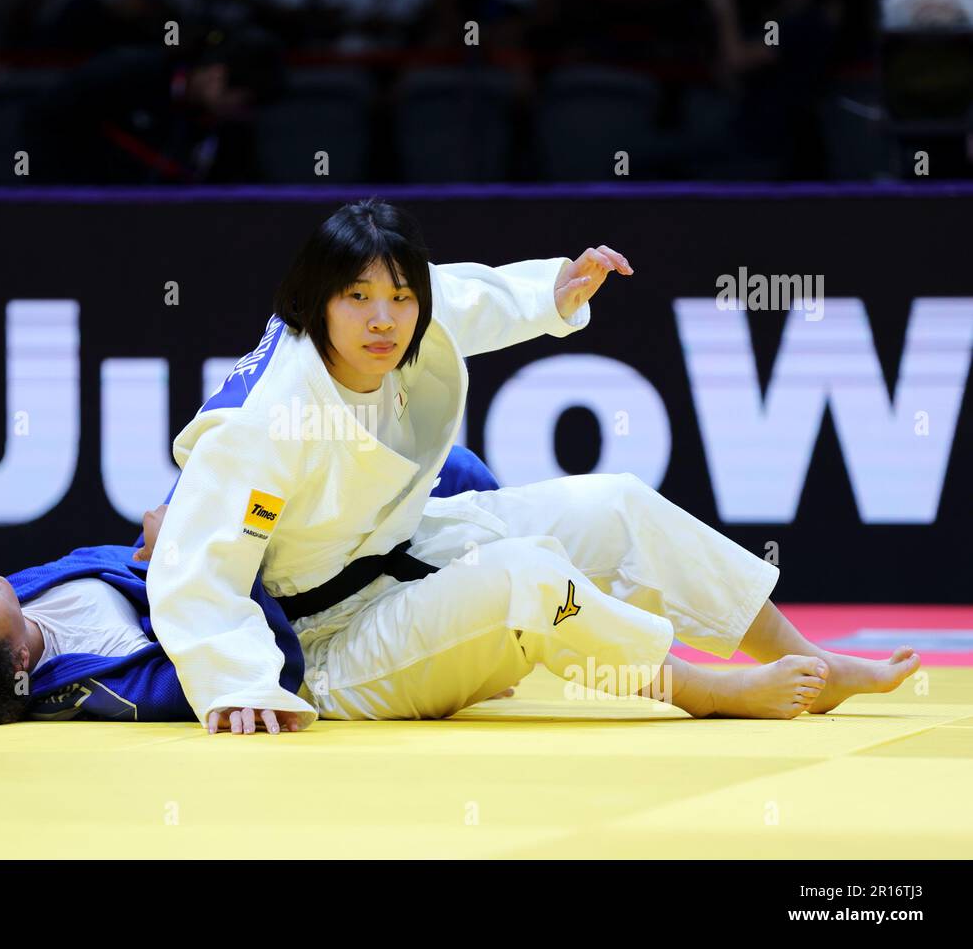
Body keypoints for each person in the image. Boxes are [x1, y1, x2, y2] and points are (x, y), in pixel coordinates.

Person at [146, 197, 923, 735]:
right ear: (317, 303)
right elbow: (194, 561)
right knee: (528, 576)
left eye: (398, 296)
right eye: (356, 297)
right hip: (337, 647)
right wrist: (239, 686)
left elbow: (471, 297)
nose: (383, 318)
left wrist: (554, 291)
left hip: (411, 556)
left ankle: (804, 657)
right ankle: (708, 691)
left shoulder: (410, 312)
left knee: (613, 502)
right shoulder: (267, 419)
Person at [0, 445, 501, 725]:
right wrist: (181, 558)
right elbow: (265, 663)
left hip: (183, 540)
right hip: (259, 581)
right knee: (432, 472)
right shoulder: (120, 688)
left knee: (393, 457)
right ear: (16, 664)